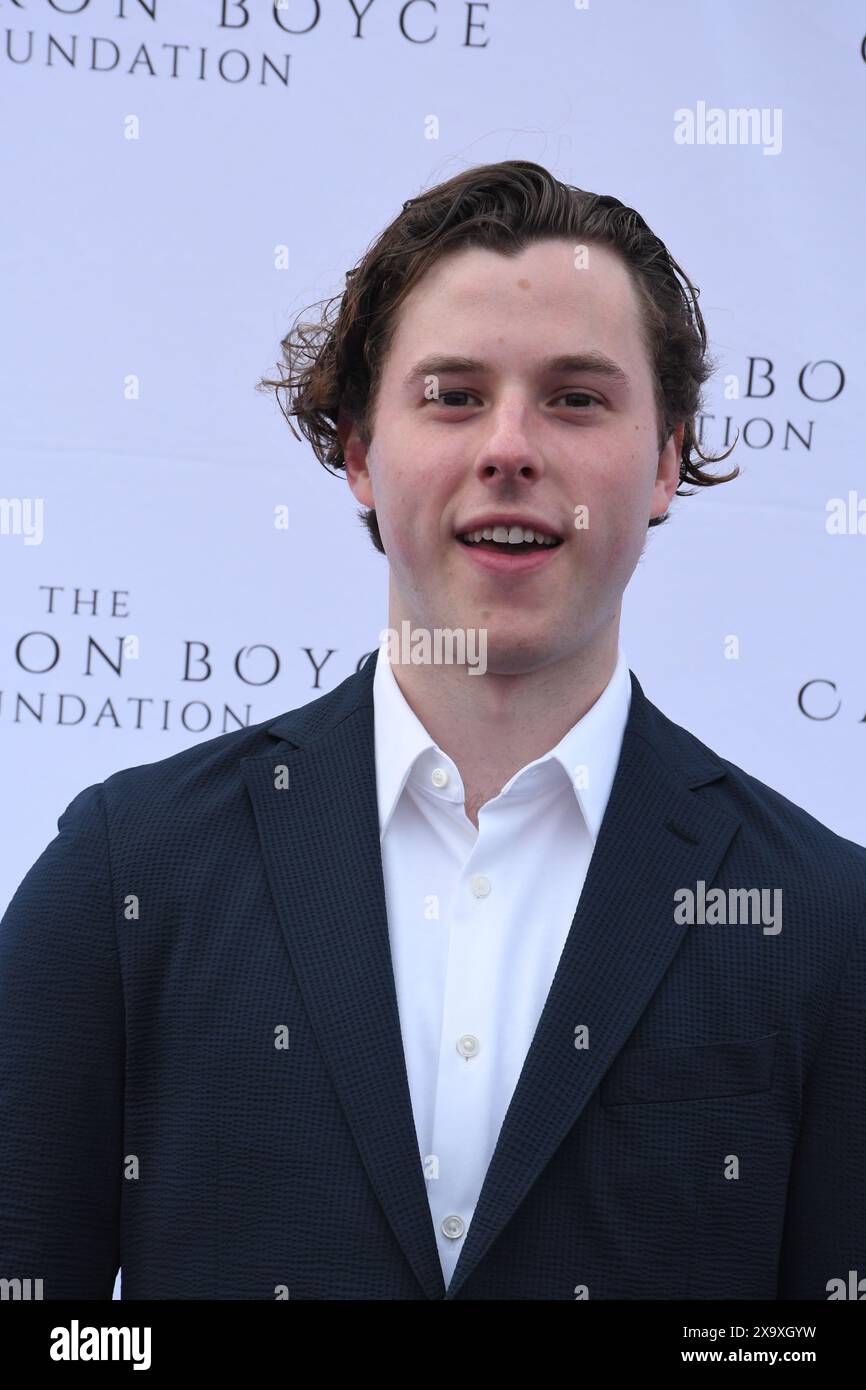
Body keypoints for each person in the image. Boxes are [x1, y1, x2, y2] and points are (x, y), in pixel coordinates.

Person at [1, 161, 864, 1301]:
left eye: (575, 398)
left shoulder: (821, 923)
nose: (509, 447)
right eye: (452, 395)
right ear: (359, 452)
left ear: (664, 461)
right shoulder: (129, 870)